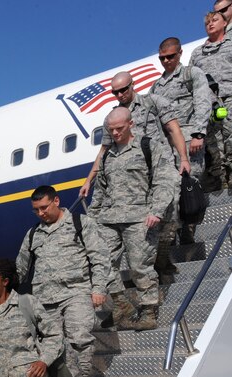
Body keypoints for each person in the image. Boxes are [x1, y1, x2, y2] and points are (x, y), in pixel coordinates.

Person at [79, 70, 188, 278]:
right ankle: (152, 262)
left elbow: (173, 129)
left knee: (171, 211)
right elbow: (104, 151)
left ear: (132, 85)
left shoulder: (152, 103)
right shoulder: (111, 118)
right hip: (131, 173)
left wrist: (183, 158)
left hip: (158, 165)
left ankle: (162, 258)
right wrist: (89, 180)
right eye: (115, 92)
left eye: (123, 90)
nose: (120, 95)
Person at [16, 186, 110, 377]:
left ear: (56, 201)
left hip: (76, 292)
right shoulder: (33, 234)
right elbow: (20, 269)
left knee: (80, 339)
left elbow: (100, 258)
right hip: (45, 300)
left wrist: (98, 288)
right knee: (51, 349)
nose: (40, 213)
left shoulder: (80, 223)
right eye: (36, 210)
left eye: (44, 207)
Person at [87, 107, 178, 331]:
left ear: (130, 124)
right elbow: (101, 190)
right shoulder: (108, 156)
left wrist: (156, 210)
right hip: (108, 219)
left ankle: (148, 311)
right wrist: (92, 218)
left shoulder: (148, 147)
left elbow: (164, 181)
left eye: (119, 129)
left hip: (140, 218)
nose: (115, 134)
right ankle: (121, 305)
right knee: (102, 265)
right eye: (111, 130)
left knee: (140, 267)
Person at [151, 37, 213, 242]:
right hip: (166, 146)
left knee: (189, 185)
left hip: (189, 139)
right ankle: (176, 232)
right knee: (170, 189)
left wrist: (198, 134)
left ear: (179, 54)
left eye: (170, 56)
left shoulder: (191, 74)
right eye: (162, 58)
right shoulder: (156, 87)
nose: (166, 61)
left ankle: (189, 231)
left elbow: (203, 102)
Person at [190, 11, 232, 190]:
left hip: (230, 98)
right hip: (210, 104)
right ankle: (222, 181)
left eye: (215, 20)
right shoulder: (197, 53)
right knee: (215, 146)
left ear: (225, 23)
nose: (210, 24)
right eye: (207, 22)